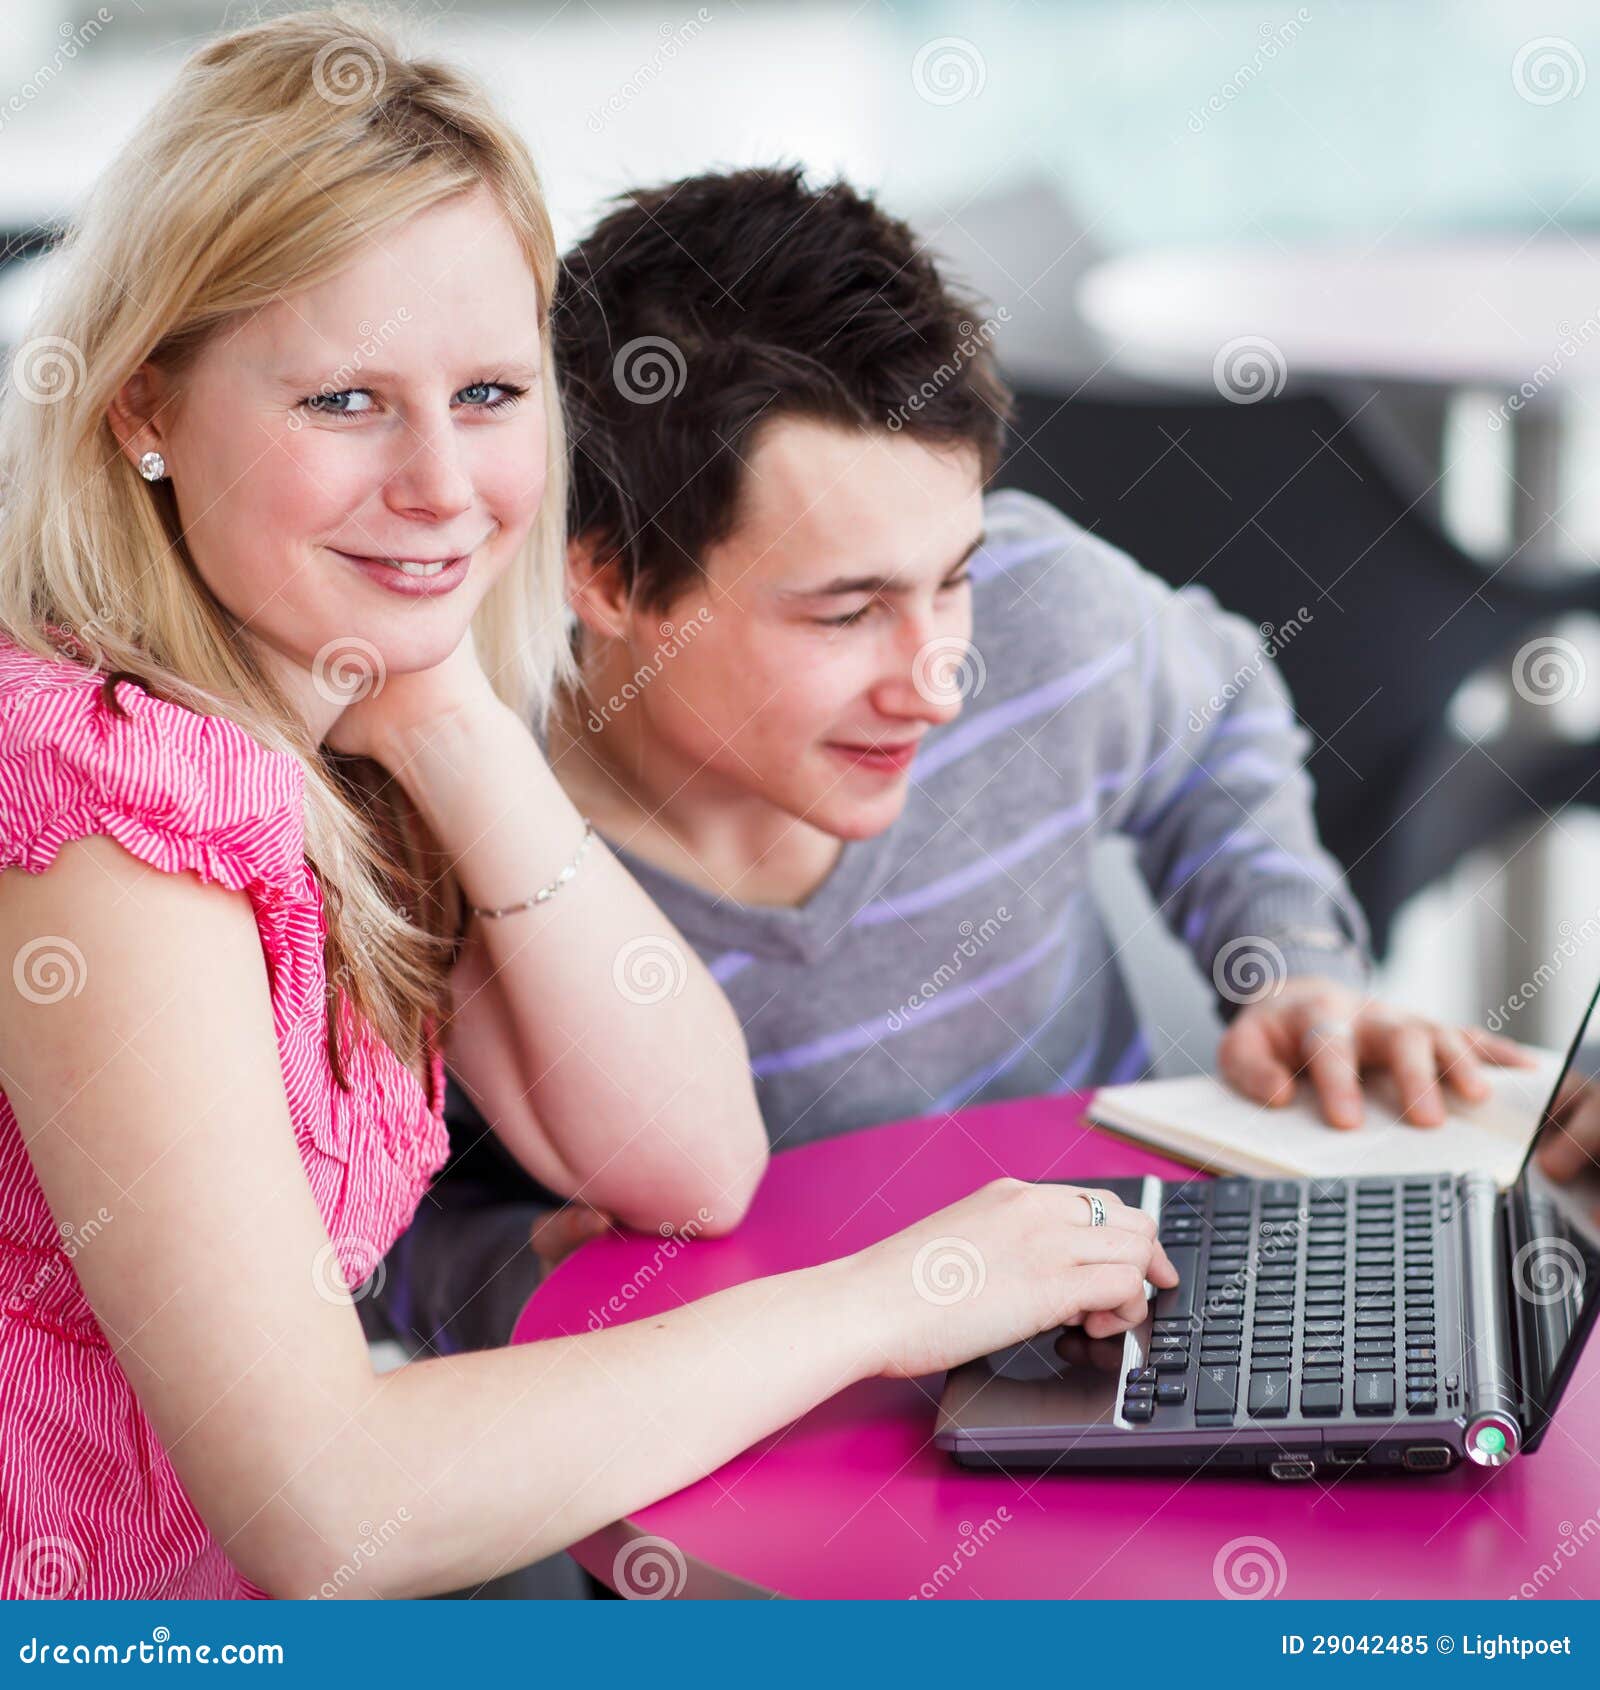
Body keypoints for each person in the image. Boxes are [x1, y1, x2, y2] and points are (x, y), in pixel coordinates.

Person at [0, 9, 1179, 1601]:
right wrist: (911, 1291)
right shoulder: (99, 815)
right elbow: (329, 1507)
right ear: (143, 406)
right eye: (344, 400)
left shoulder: (335, 720)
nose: (439, 484)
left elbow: (692, 1157)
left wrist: (448, 708)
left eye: (488, 392)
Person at [375, 165, 1532, 1360]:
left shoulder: (1046, 618)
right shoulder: (449, 834)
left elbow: (1217, 717)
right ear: (607, 578)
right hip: (742, 1469)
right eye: (843, 613)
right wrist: (517, 1288)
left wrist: (1285, 966)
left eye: (953, 577)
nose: (936, 680)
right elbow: (371, 1241)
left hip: (1133, 1342)